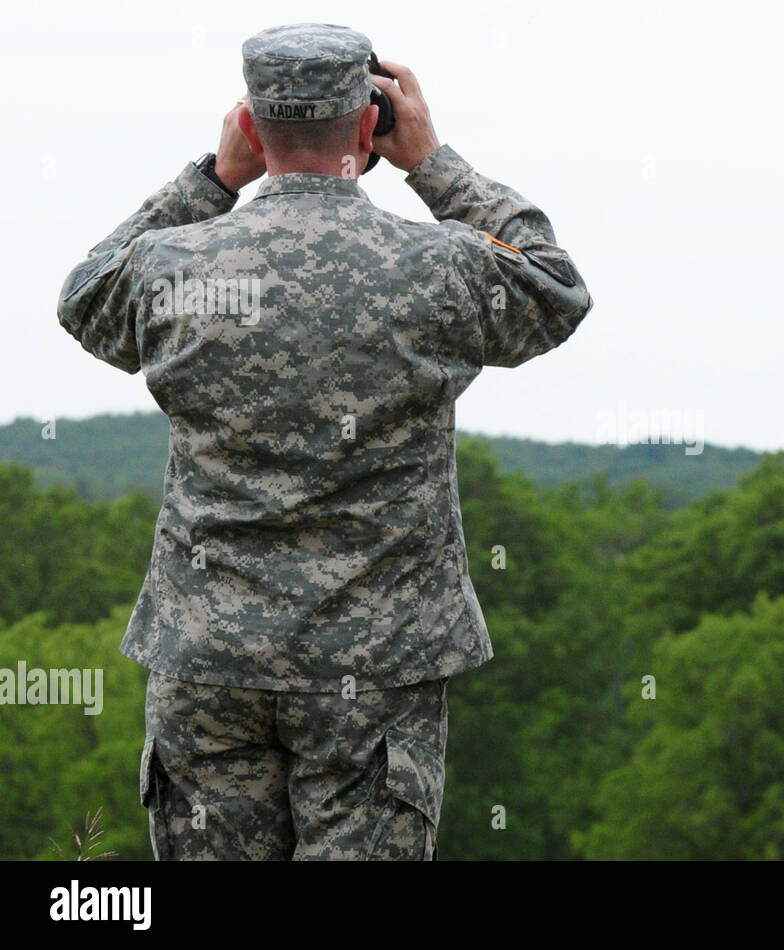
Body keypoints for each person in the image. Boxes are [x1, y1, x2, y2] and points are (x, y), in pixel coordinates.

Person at [56, 22, 593, 860]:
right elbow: (555, 288)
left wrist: (213, 177)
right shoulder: (437, 265)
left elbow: (85, 293)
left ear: (251, 123)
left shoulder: (172, 265)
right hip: (375, 675)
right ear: (367, 124)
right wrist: (432, 162)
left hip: (208, 662)